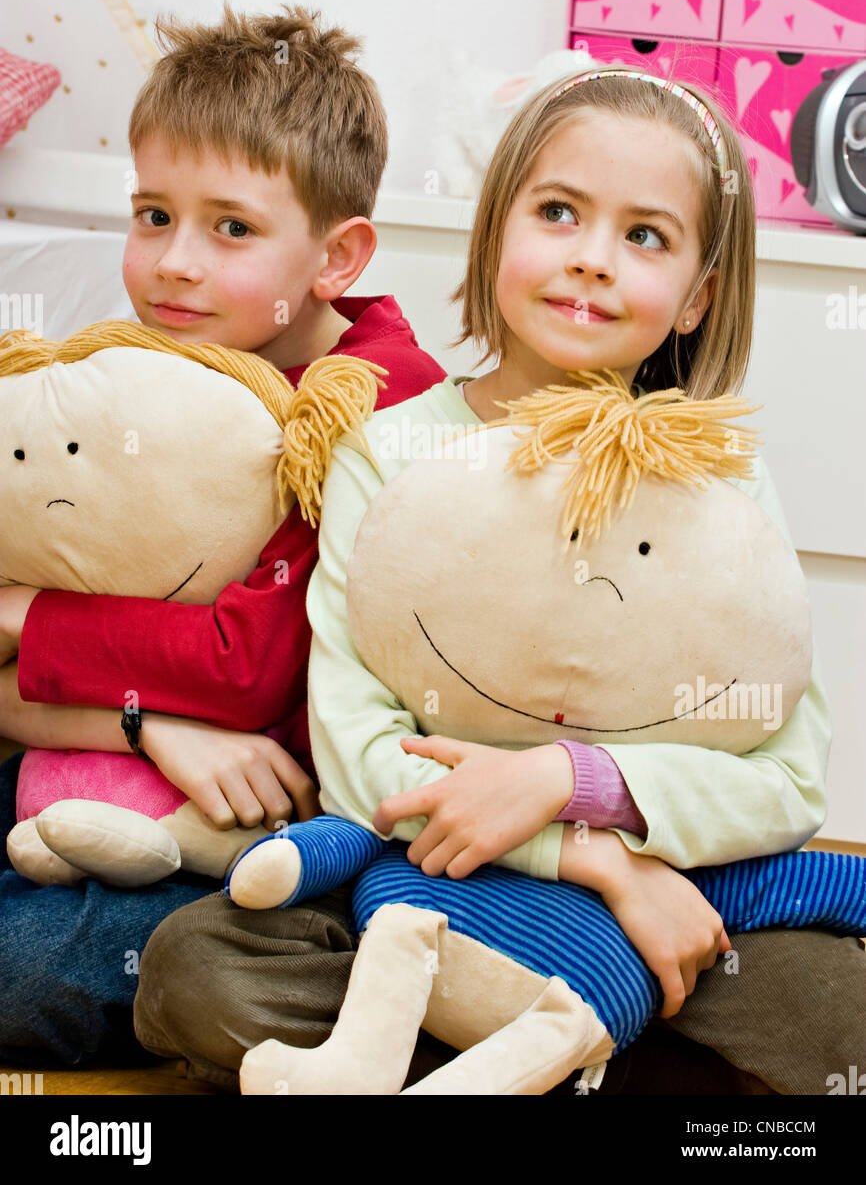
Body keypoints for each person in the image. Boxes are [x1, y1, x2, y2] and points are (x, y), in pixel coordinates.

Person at [134, 68, 866, 1095]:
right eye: (558, 212)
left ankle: (514, 1047)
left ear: (698, 292)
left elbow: (784, 774)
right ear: (493, 232)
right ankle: (557, 1048)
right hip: (436, 877)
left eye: (644, 236)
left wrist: (572, 780)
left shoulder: (722, 477)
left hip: (674, 874)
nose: (588, 259)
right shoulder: (389, 453)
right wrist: (594, 858)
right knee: (194, 971)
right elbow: (356, 751)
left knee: (842, 1020)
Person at [0, 2, 445, 1068]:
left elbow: (250, 675)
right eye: (152, 214)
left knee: (27, 980)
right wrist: (145, 724)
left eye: (231, 228)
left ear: (335, 256)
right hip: (101, 756)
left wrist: (29, 617)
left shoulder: (371, 406)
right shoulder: (135, 370)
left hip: (265, 823)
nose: (174, 264)